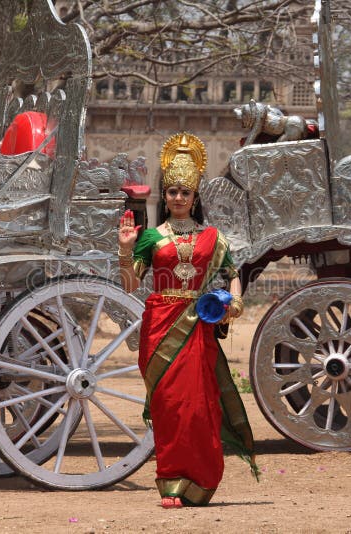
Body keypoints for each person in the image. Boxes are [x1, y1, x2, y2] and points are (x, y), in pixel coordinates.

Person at [118, 132, 258, 509]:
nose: (178, 198)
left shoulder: (213, 237)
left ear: (195, 199)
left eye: (185, 192)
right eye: (172, 192)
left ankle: (199, 482)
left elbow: (232, 272)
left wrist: (237, 300)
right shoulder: (150, 238)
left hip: (197, 325)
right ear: (164, 197)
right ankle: (171, 482)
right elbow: (130, 283)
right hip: (160, 325)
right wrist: (126, 248)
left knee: (198, 407)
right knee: (168, 405)